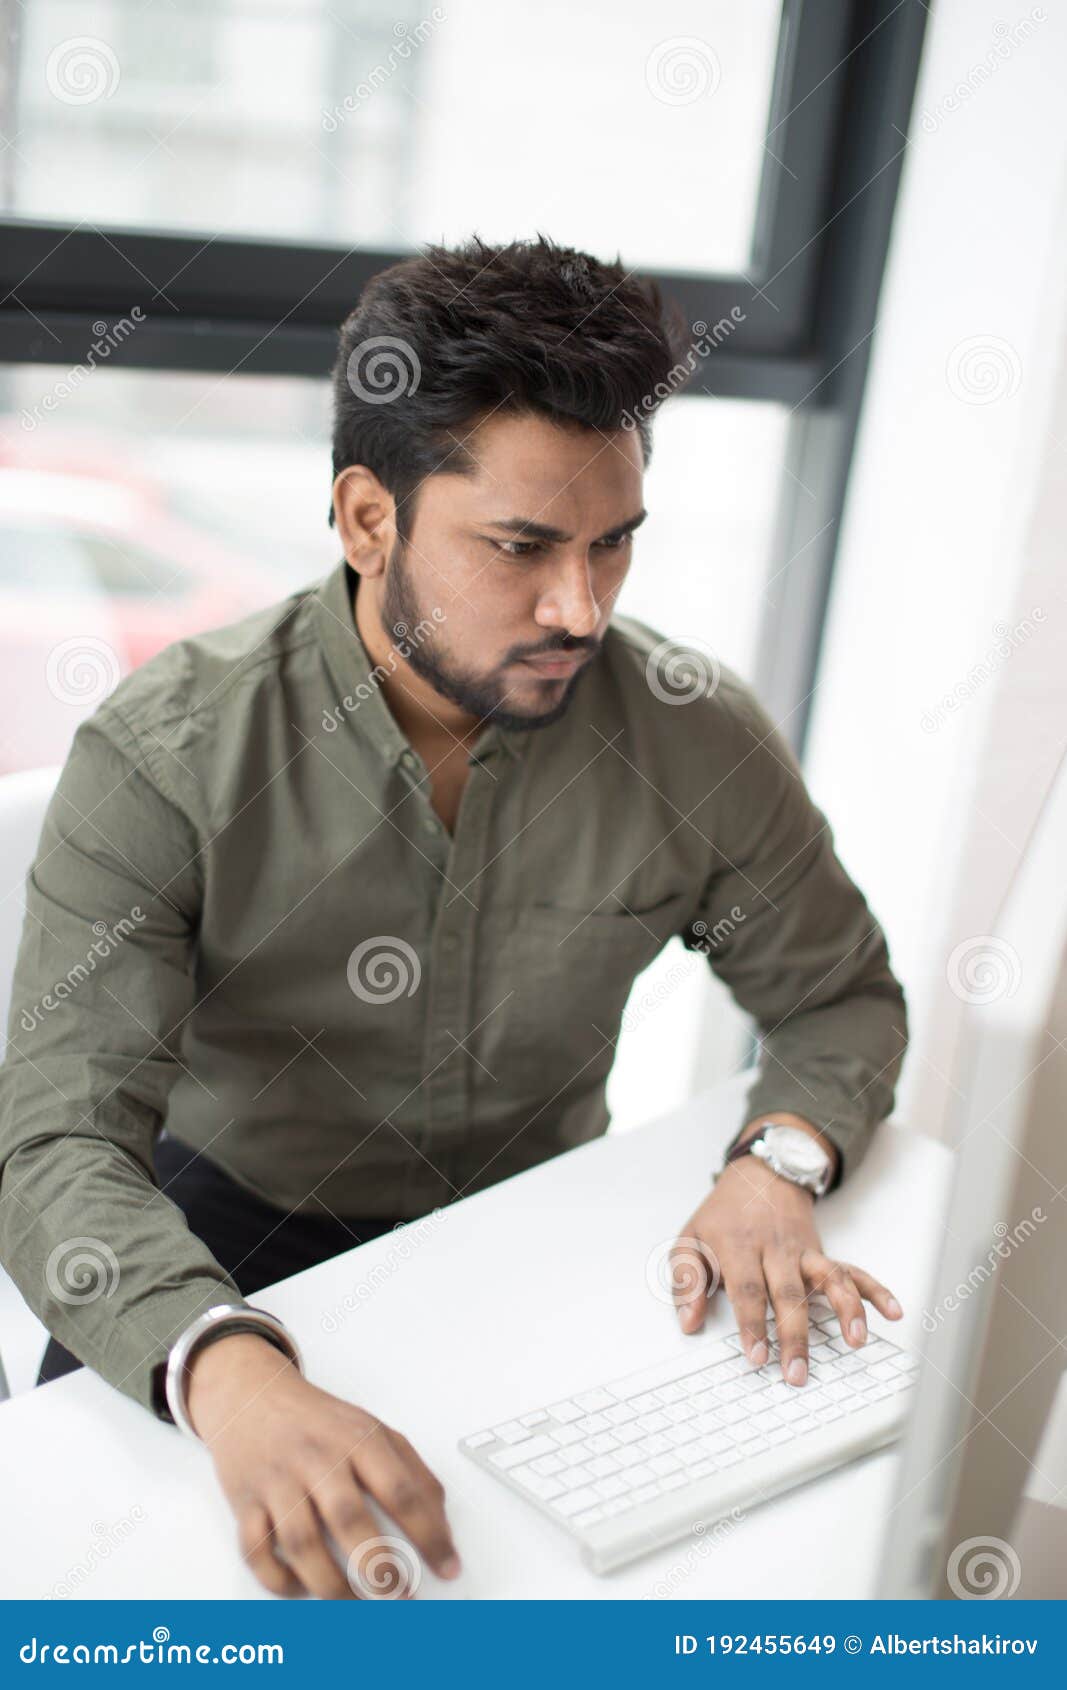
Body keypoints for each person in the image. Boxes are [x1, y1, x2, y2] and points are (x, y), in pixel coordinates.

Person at [0, 234, 907, 1600]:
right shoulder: (169, 749)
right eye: (521, 548)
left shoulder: (691, 733)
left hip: (544, 1221)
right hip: (228, 1228)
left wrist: (776, 1158)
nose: (580, 607)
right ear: (370, 520)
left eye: (614, 548)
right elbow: (56, 1138)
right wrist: (231, 1371)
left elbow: (838, 995)